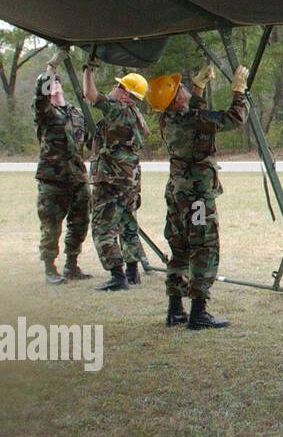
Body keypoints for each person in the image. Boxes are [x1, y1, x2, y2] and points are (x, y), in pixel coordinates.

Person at [147, 62, 249, 329]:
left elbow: (192, 114)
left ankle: (175, 309)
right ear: (176, 98)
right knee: (204, 248)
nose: (184, 88)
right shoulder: (193, 121)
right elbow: (234, 118)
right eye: (181, 87)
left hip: (177, 194)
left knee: (179, 250)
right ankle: (198, 312)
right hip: (197, 196)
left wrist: (198, 87)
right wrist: (240, 92)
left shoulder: (167, 119)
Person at [81, 61, 149, 291]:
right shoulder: (137, 115)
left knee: (103, 226)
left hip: (110, 179)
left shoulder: (117, 109)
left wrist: (87, 71)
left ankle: (117, 276)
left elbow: (90, 95)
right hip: (130, 179)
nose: (114, 88)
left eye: (118, 86)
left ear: (125, 94)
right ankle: (132, 272)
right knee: (127, 223)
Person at [32, 48, 91, 284]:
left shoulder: (76, 113)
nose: (54, 85)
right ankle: (49, 268)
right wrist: (51, 68)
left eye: (57, 82)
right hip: (52, 180)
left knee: (79, 224)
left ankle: (72, 264)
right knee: (51, 227)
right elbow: (40, 96)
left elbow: (86, 141)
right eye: (50, 84)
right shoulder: (45, 112)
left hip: (77, 178)